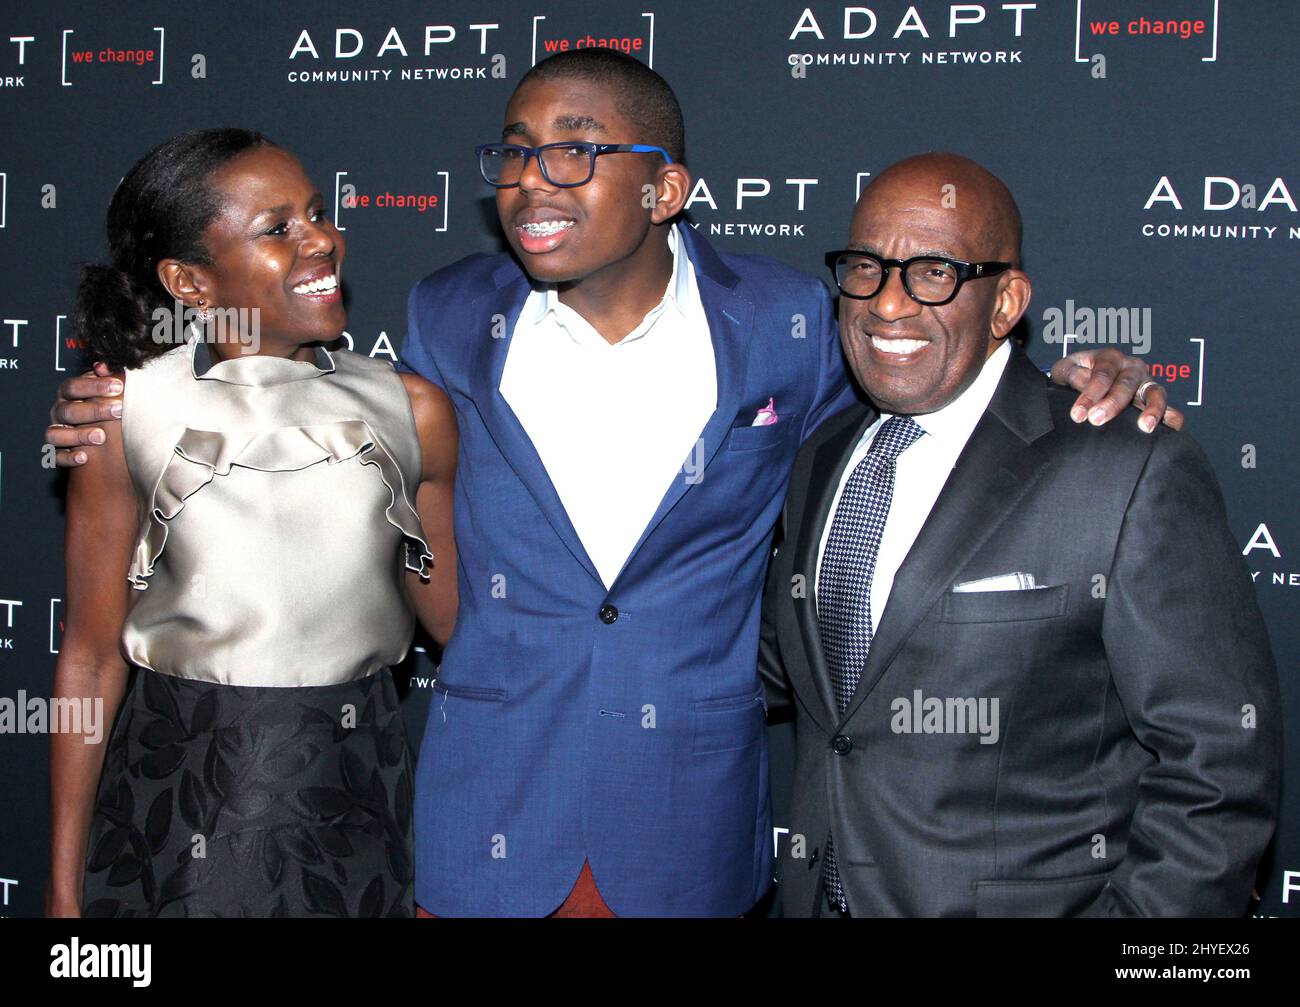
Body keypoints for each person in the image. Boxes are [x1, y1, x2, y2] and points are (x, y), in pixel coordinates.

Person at [46, 52, 1173, 918]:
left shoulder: (788, 324)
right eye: (517, 149)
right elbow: (281, 396)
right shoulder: (448, 319)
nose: (535, 176)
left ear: (666, 186)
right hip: (473, 817)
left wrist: (1078, 373)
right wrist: (126, 396)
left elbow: (927, 367)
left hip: (687, 821)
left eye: (577, 150)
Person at [760, 152, 1281, 918]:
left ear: (1005, 303)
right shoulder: (823, 455)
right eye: (865, 267)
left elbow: (1220, 765)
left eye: (933, 272)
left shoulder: (1124, 465)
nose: (888, 305)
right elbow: (786, 672)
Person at [45, 129, 459, 918]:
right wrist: (63, 889)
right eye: (279, 229)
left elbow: (456, 625)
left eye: (317, 213)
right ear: (188, 281)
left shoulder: (413, 409)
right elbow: (92, 659)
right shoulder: (124, 411)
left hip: (357, 798)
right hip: (178, 806)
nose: (323, 239)